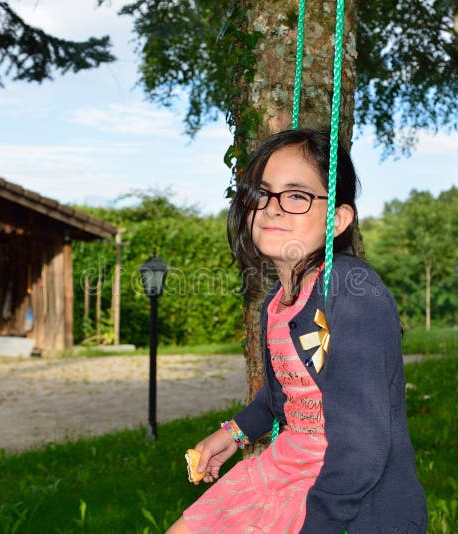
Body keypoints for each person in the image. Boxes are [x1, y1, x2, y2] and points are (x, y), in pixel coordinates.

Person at [167, 129, 427, 533]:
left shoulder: (351, 291)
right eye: (262, 193)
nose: (272, 208)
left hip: (345, 496)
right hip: (282, 471)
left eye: (296, 195)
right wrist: (233, 435)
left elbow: (363, 446)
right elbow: (280, 396)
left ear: (338, 219)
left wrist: (317, 524)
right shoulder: (278, 301)